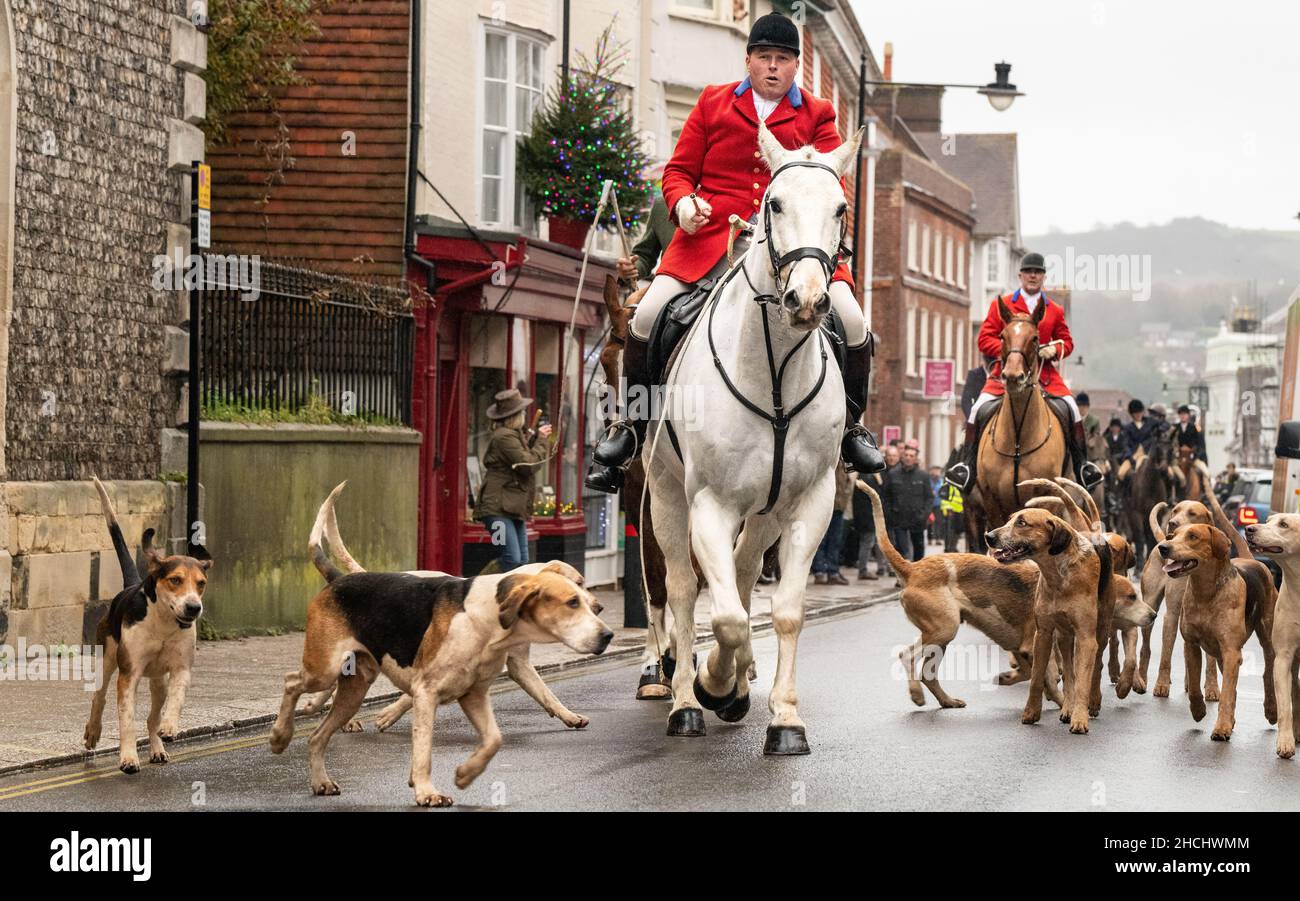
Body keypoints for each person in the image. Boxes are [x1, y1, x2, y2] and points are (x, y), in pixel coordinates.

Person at [586, 11, 884, 494]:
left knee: (852, 323)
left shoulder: (819, 115)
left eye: (782, 59)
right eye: (764, 57)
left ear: (795, 67)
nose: (772, 67)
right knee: (647, 316)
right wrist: (684, 205)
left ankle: (851, 430)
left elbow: (832, 187)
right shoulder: (712, 103)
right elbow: (678, 171)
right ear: (748, 60)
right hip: (709, 243)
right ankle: (630, 428)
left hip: (793, 249)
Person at [945, 252, 1103, 492]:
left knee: (1072, 408)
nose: (1033, 275)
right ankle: (967, 467)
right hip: (1006, 373)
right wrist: (1013, 350)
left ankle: (1083, 467)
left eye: (1037, 272)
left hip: (1044, 376)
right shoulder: (1003, 304)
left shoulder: (1054, 310)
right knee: (977, 409)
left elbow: (1067, 342)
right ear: (1020, 275)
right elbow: (984, 339)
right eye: (1028, 271)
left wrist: (1053, 348)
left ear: (1043, 277)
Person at [473, 389, 552, 572]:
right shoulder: (504, 437)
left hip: (511, 506)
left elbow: (521, 458)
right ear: (515, 416)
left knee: (521, 561)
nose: (525, 414)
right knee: (511, 558)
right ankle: (479, 587)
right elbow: (528, 464)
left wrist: (533, 441)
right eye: (522, 412)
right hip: (496, 509)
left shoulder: (512, 435)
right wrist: (541, 441)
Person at [882, 445, 931, 574]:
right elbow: (886, 497)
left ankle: (918, 576)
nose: (908, 458)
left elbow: (929, 497)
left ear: (915, 459)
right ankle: (903, 576)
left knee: (918, 550)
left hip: (917, 519)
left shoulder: (923, 476)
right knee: (901, 550)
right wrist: (890, 514)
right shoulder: (893, 474)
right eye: (906, 455)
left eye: (912, 456)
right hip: (899, 519)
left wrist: (924, 515)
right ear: (902, 457)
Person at [812, 464, 853, 585]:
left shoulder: (842, 459)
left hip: (838, 506)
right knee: (821, 540)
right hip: (823, 506)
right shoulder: (828, 458)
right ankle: (820, 572)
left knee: (835, 541)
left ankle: (832, 571)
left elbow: (846, 482)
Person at [852, 467, 884, 580]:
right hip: (868, 517)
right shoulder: (868, 477)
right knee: (867, 543)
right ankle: (863, 570)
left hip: (865, 517)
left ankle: (873, 568)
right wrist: (880, 482)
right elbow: (875, 496)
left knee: (870, 543)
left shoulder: (862, 476)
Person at [1116, 398, 1157, 480]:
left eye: (1140, 412)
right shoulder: (1127, 428)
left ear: (1142, 412)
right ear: (1132, 414)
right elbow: (1125, 444)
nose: (1138, 415)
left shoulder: (1150, 423)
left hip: (1147, 454)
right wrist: (1130, 457)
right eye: (1136, 413)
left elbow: (1164, 425)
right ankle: (1122, 492)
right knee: (1120, 474)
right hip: (1133, 455)